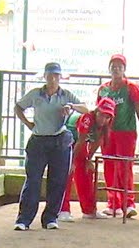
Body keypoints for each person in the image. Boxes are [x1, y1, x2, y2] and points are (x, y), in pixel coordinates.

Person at [14, 61, 88, 230]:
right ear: (45, 76)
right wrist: (28, 123)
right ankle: (24, 219)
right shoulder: (35, 94)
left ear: (60, 77)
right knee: (33, 180)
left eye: (56, 76)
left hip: (58, 140)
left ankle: (50, 217)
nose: (53, 79)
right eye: (50, 75)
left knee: (58, 180)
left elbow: (85, 109)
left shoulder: (66, 95)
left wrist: (71, 106)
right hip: (38, 139)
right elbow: (18, 107)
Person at [97, 55, 139, 217]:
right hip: (107, 133)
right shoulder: (103, 89)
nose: (116, 69)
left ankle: (129, 203)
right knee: (109, 166)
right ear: (109, 68)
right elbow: (98, 114)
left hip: (126, 132)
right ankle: (114, 203)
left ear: (124, 69)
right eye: (113, 66)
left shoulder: (131, 88)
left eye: (120, 66)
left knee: (124, 167)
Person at [62, 97, 115, 220]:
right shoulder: (87, 118)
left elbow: (97, 142)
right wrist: (73, 162)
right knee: (67, 173)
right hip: (67, 143)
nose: (104, 119)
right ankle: (63, 209)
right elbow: (80, 141)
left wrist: (88, 159)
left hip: (80, 146)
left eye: (107, 117)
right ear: (96, 111)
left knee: (87, 172)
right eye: (102, 115)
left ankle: (89, 210)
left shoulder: (105, 126)